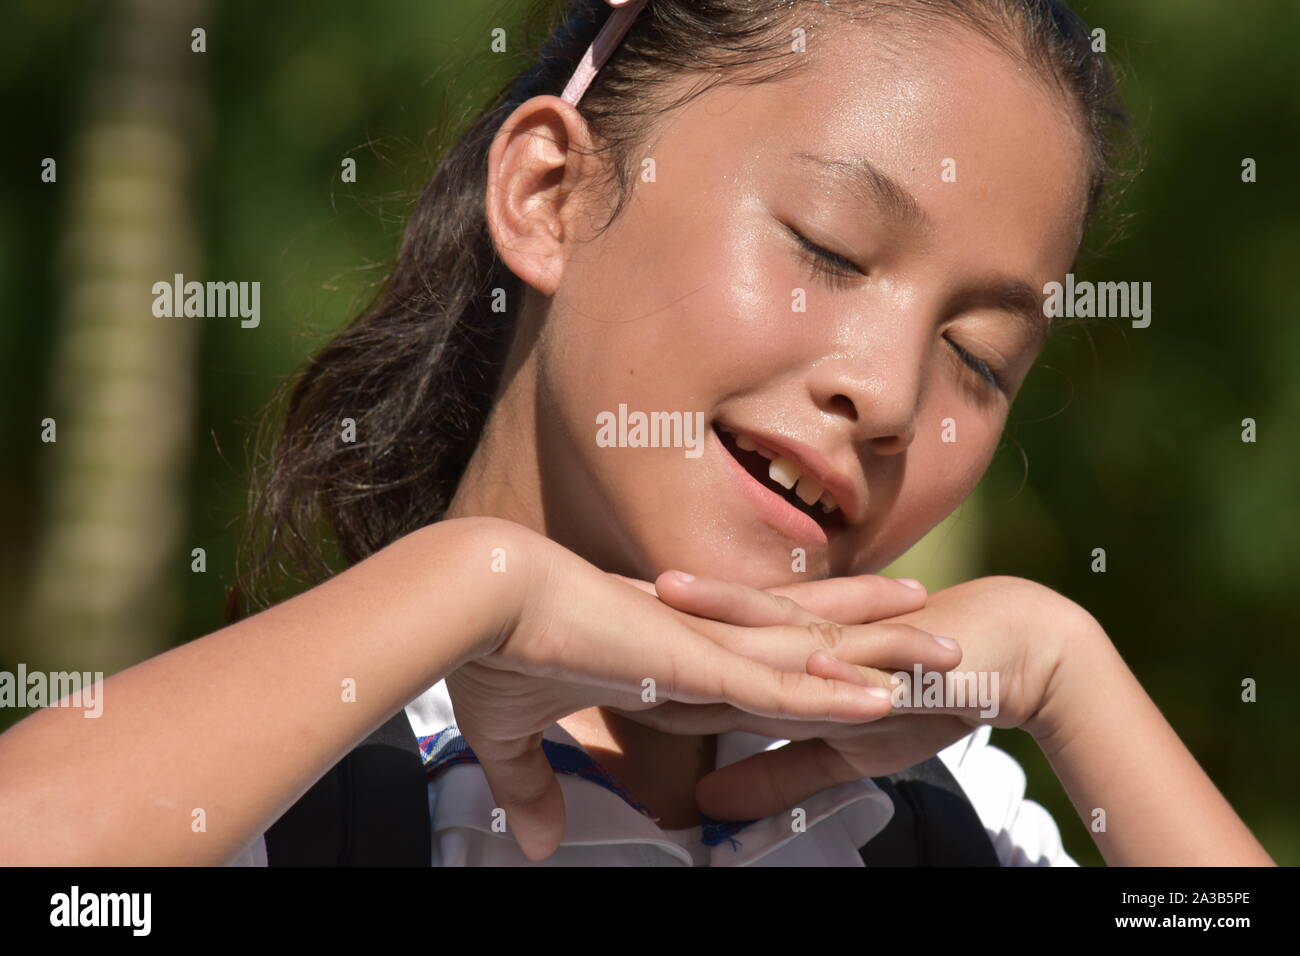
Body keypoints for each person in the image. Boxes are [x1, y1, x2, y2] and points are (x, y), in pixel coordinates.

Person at [0, 0, 1275, 867]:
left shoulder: (949, 824)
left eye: (978, 359)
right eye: (829, 248)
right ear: (551, 193)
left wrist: (1072, 670)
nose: (887, 394)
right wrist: (470, 586)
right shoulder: (270, 781)